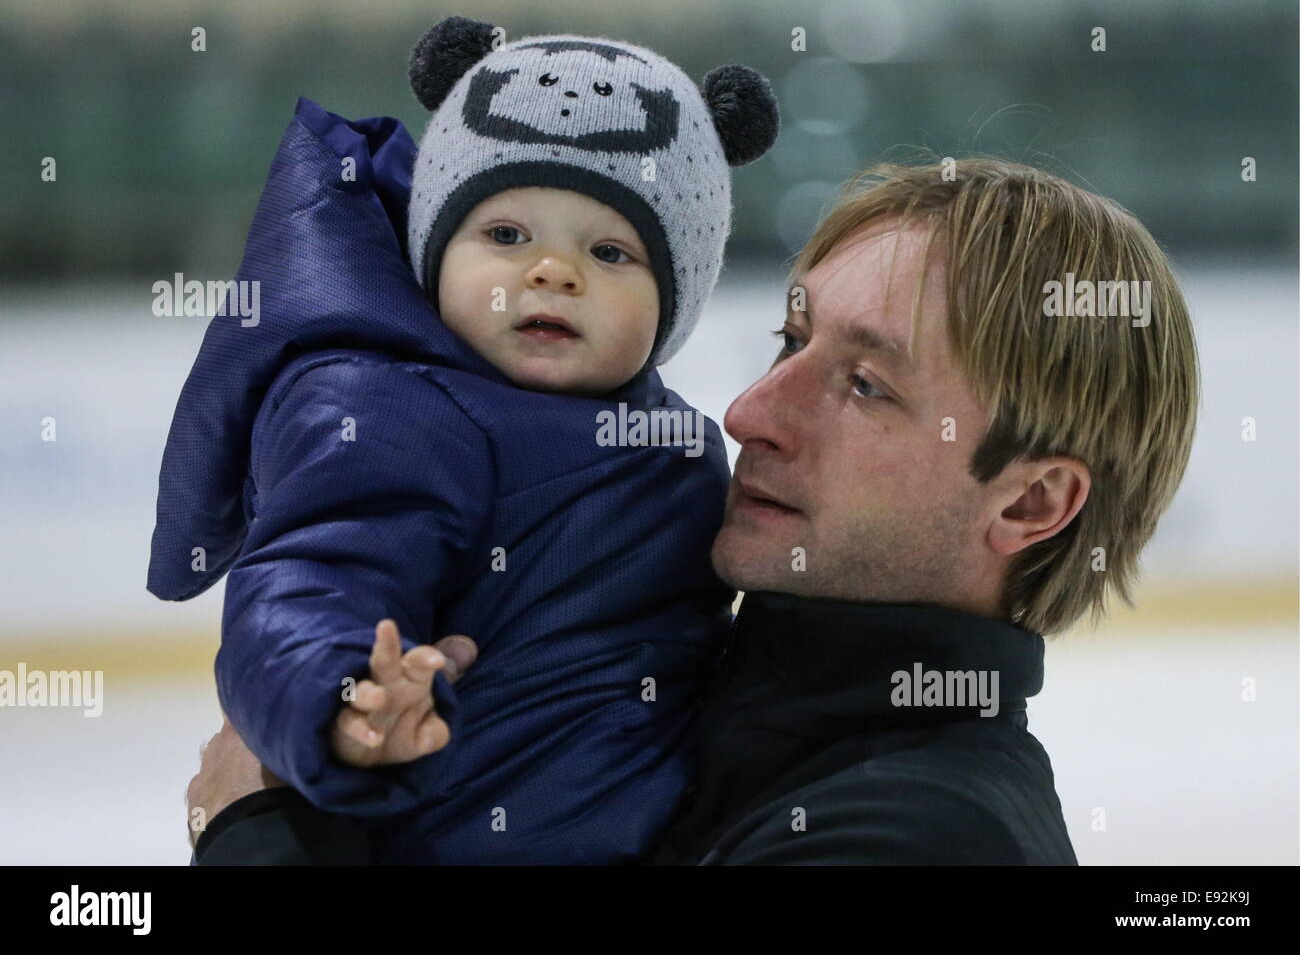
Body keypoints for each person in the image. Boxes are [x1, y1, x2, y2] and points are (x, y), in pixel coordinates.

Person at [186, 157, 1199, 865]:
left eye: (866, 386)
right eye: (787, 339)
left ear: (1029, 501)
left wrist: (260, 832)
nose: (750, 410)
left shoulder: (925, 837)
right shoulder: (670, 698)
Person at [151, 16, 778, 864]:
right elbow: (305, 583)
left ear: (678, 299)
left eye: (610, 250)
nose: (553, 272)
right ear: (434, 255)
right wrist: (348, 703)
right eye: (507, 236)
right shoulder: (392, 411)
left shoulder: (674, 445)